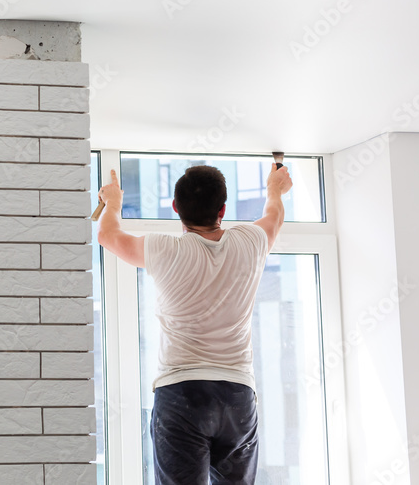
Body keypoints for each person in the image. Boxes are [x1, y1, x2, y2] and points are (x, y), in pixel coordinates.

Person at [97, 163, 293, 485]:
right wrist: (274, 189)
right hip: (237, 395)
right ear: (223, 209)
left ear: (175, 207)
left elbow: (108, 234)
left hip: (182, 394)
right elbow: (273, 216)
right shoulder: (251, 242)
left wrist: (113, 203)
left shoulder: (165, 249)